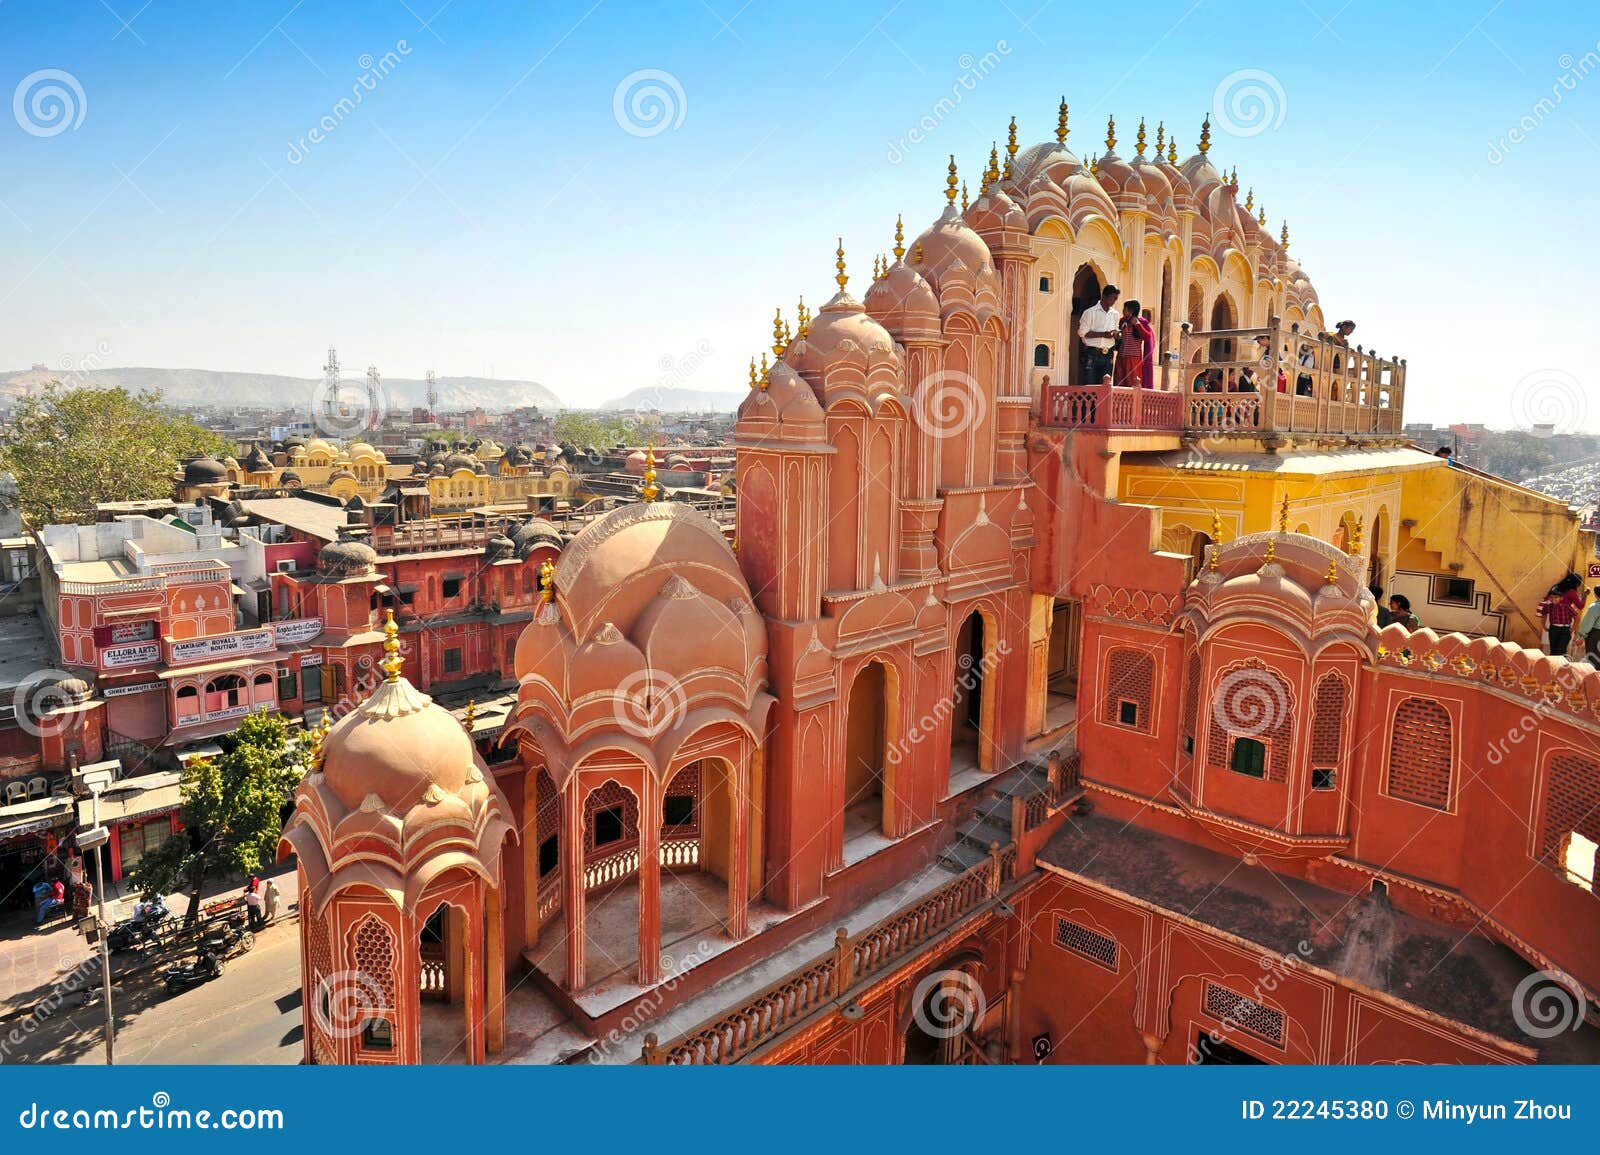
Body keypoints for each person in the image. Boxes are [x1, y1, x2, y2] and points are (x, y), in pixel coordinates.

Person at [1078, 285, 1121, 386]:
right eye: (1112, 298)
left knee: (1105, 386)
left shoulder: (1115, 314)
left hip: (1108, 354)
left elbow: (1115, 329)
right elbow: (1082, 333)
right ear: (1104, 296)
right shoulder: (1090, 312)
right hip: (1092, 353)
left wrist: (1117, 334)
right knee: (1090, 386)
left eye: (1116, 299)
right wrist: (1103, 334)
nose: (1114, 301)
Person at [1539, 573, 1585, 656]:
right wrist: (1585, 595)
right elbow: (1580, 606)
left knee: (1552, 649)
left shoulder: (1555, 587)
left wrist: (1543, 625)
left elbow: (1545, 610)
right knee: (1561, 650)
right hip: (1563, 621)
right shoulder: (1571, 592)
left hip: (1552, 621)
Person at [1114, 299, 1155, 389]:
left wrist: (1137, 324)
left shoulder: (1141, 322)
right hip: (1121, 358)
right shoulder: (1122, 321)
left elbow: (1147, 337)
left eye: (1125, 309)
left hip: (1134, 360)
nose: (1123, 311)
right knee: (1119, 384)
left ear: (1131, 311)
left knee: (1132, 385)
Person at [1578, 587, 1600, 668]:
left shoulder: (1595, 607)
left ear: (1595, 594)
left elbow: (1587, 623)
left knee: (1593, 660)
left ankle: (1594, 678)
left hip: (1596, 635)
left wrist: (1580, 636)